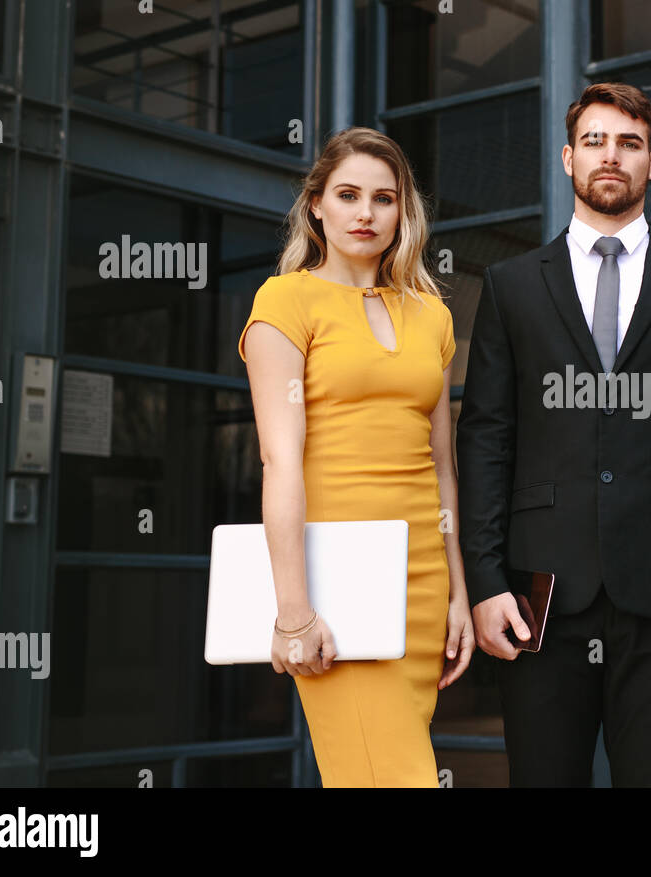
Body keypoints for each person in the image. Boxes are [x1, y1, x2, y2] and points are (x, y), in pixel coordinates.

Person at [456, 82, 651, 787]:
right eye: (594, 141)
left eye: (629, 142)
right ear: (568, 159)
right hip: (539, 598)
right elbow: (486, 440)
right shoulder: (510, 286)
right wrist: (485, 580)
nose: (611, 156)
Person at [238, 127, 474, 787]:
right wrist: (293, 612)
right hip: (334, 584)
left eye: (384, 198)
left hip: (422, 581)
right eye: (347, 195)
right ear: (316, 205)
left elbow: (442, 467)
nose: (366, 213)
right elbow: (279, 462)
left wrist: (457, 590)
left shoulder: (431, 316)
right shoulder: (285, 302)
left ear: (404, 212)